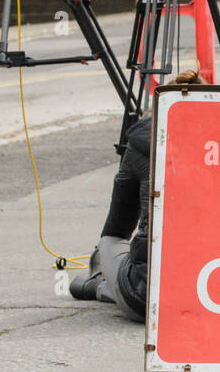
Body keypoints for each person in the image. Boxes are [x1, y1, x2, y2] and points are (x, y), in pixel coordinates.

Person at [68, 70, 206, 321]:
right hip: (211, 298)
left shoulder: (142, 142)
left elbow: (117, 227)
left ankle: (101, 284)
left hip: (144, 298)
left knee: (108, 244)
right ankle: (105, 284)